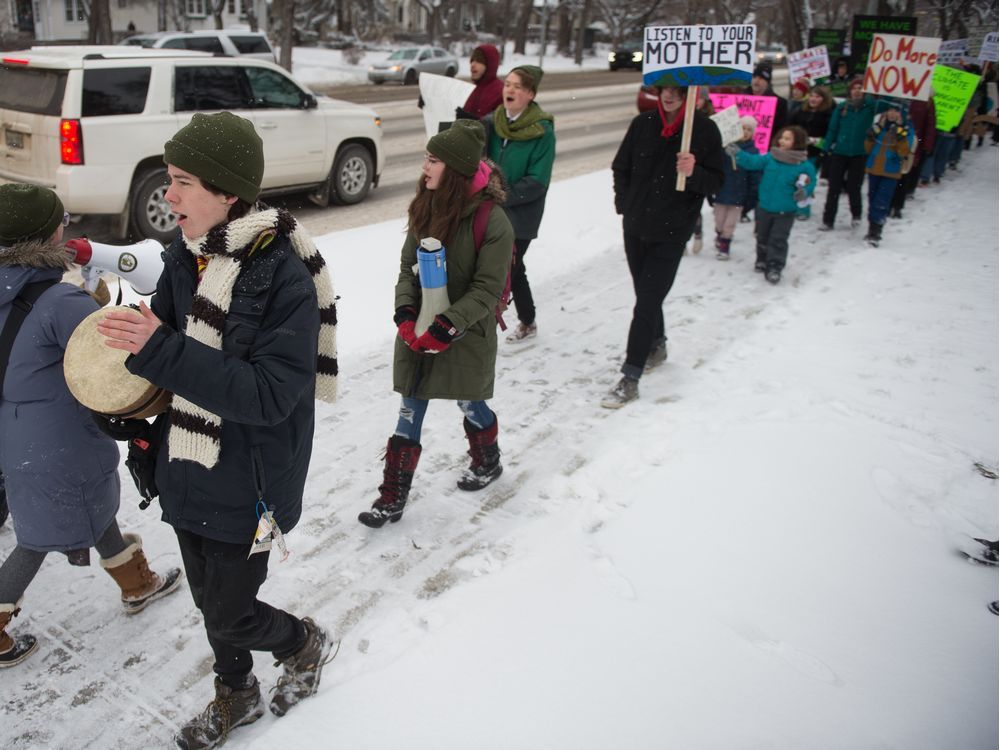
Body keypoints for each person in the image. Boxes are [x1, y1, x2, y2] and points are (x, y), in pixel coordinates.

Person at [95, 112, 338, 749]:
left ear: (228, 193)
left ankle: (304, 643)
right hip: (187, 467)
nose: (168, 195)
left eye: (182, 182)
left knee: (232, 609)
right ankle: (237, 692)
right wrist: (118, 399)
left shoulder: (282, 277)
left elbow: (269, 395)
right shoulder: (189, 259)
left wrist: (159, 351)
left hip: (249, 482)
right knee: (211, 604)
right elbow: (171, 368)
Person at [0, 183, 182, 669]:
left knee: (91, 508)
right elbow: (110, 352)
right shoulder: (59, 302)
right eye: (62, 222)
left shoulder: (11, 286)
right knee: (40, 535)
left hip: (15, 432)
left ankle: (136, 583)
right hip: (59, 442)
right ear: (49, 234)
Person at [358, 120, 514, 528]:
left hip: (464, 331)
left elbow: (486, 289)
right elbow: (406, 269)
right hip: (419, 329)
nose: (423, 168)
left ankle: (487, 460)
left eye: (432, 161)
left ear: (456, 169)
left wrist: (447, 327)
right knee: (410, 407)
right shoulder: (425, 206)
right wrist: (406, 316)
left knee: (469, 401)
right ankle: (391, 498)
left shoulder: (492, 221)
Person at [604, 84, 724, 408]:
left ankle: (631, 375)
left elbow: (718, 181)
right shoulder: (643, 124)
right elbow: (621, 167)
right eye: (664, 90)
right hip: (636, 226)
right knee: (645, 294)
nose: (668, 97)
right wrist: (624, 204)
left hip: (672, 231)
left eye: (677, 92)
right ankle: (657, 343)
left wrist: (694, 171)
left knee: (646, 301)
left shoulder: (704, 130)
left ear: (690, 96)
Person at [482, 65, 555, 344]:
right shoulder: (493, 122)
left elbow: (538, 181)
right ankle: (527, 319)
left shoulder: (542, 131)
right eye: (507, 84)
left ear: (531, 94)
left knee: (506, 267)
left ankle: (512, 319)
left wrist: (501, 193)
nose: (509, 90)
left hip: (521, 214)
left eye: (518, 87)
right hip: (492, 209)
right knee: (512, 267)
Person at [732, 125, 817, 284]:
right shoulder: (772, 157)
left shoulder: (803, 164)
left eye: (787, 139)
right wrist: (737, 152)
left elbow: (810, 182)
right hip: (764, 206)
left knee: (778, 239)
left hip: (786, 210)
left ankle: (775, 267)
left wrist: (804, 191)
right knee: (762, 236)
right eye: (781, 137)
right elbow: (752, 162)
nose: (782, 141)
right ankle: (762, 260)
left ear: (797, 142)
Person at [821, 76, 876, 231]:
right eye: (854, 88)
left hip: (859, 153)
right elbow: (833, 129)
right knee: (834, 187)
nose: (857, 91)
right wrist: (826, 149)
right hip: (840, 152)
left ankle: (856, 214)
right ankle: (828, 220)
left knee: (854, 187)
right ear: (850, 91)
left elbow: (881, 105)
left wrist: (871, 94)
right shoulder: (842, 108)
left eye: (860, 88)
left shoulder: (869, 107)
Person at [863, 99, 914, 247]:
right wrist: (870, 135)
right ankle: (872, 225)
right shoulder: (879, 127)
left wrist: (900, 136)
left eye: (896, 111)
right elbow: (868, 148)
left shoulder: (906, 130)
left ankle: (876, 231)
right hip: (874, 168)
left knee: (881, 201)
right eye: (890, 110)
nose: (892, 114)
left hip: (890, 171)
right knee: (872, 198)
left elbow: (904, 152)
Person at [712, 115, 761, 261]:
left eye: (749, 130)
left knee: (730, 223)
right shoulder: (725, 146)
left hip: (739, 193)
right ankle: (720, 235)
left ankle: (725, 245)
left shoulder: (753, 152)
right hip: (722, 190)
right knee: (719, 220)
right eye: (742, 128)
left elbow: (755, 174)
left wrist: (752, 194)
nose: (745, 132)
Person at [890, 95, 935, 218]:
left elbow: (930, 125)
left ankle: (897, 206)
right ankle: (888, 204)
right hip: (889, 144)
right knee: (888, 177)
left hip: (911, 143)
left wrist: (927, 145)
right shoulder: (896, 96)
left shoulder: (926, 102)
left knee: (903, 176)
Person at [688, 88, 716, 254]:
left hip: (702, 169)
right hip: (684, 166)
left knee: (694, 206)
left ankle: (697, 233)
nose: (696, 101)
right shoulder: (682, 116)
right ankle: (680, 238)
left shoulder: (711, 119)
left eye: (699, 98)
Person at [455, 44, 503, 120]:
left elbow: (500, 124)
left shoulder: (500, 91)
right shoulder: (475, 89)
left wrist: (475, 120)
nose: (472, 65)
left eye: (479, 61)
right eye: (472, 60)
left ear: (490, 64)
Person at [747, 64, 788, 131]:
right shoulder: (741, 98)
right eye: (754, 77)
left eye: (760, 78)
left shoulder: (780, 103)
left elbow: (782, 129)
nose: (756, 81)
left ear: (767, 82)